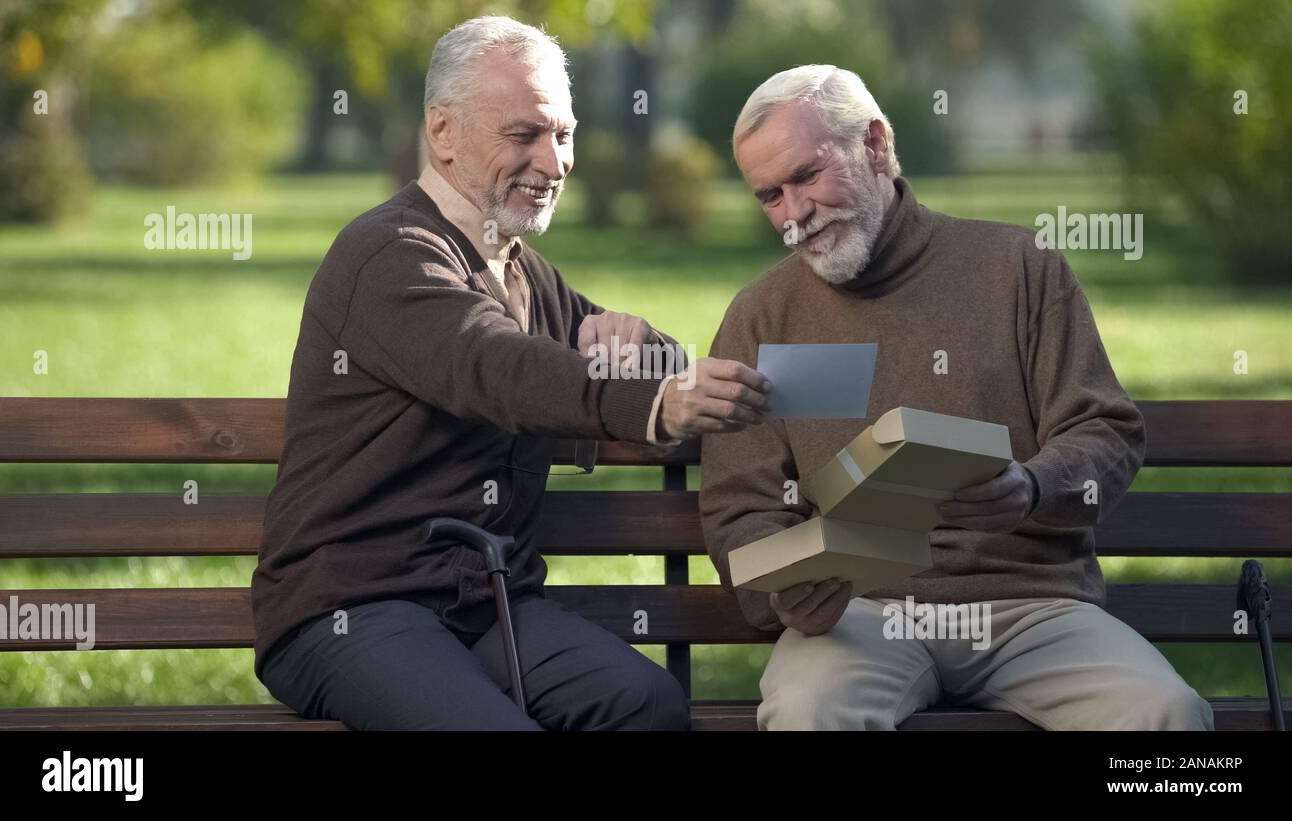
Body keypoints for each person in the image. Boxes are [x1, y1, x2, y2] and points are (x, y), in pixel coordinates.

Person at [251, 16, 771, 730]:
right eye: (523, 135)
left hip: (487, 606)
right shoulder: (389, 255)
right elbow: (497, 365)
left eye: (564, 135)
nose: (553, 162)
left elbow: (654, 364)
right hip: (350, 609)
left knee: (648, 707)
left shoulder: (521, 270)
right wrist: (654, 397)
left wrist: (642, 344)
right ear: (443, 133)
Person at [699, 64, 1212, 731]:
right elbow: (740, 507)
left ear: (876, 144)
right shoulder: (762, 314)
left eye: (807, 176)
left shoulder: (1019, 267)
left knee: (1166, 714)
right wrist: (783, 585)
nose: (793, 214)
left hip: (1032, 606)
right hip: (859, 613)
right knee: (808, 711)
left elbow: (1105, 432)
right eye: (770, 195)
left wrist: (1030, 487)